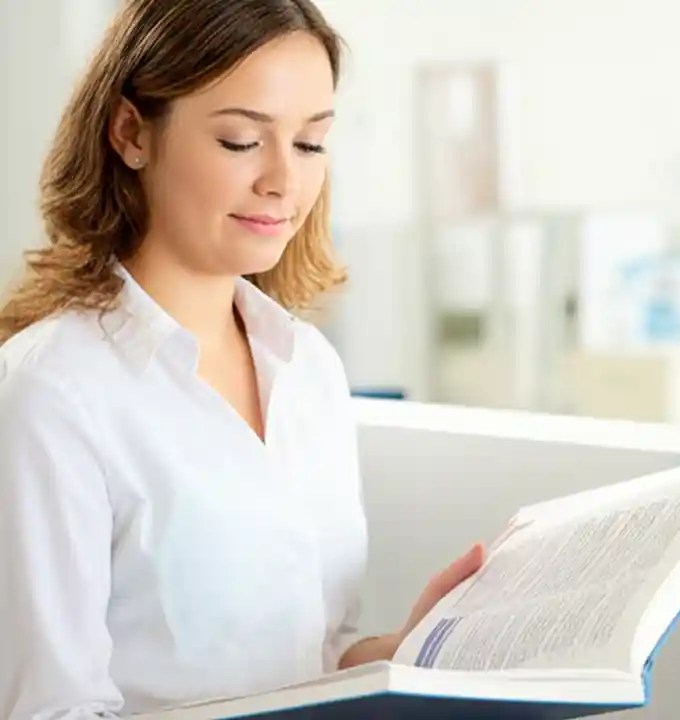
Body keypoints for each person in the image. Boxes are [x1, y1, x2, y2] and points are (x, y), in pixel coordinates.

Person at [0, 1, 483, 717]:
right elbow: (48, 708)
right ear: (131, 133)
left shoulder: (308, 368)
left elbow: (312, 656)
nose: (283, 182)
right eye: (239, 141)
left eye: (311, 144)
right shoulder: (53, 392)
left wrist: (407, 652)